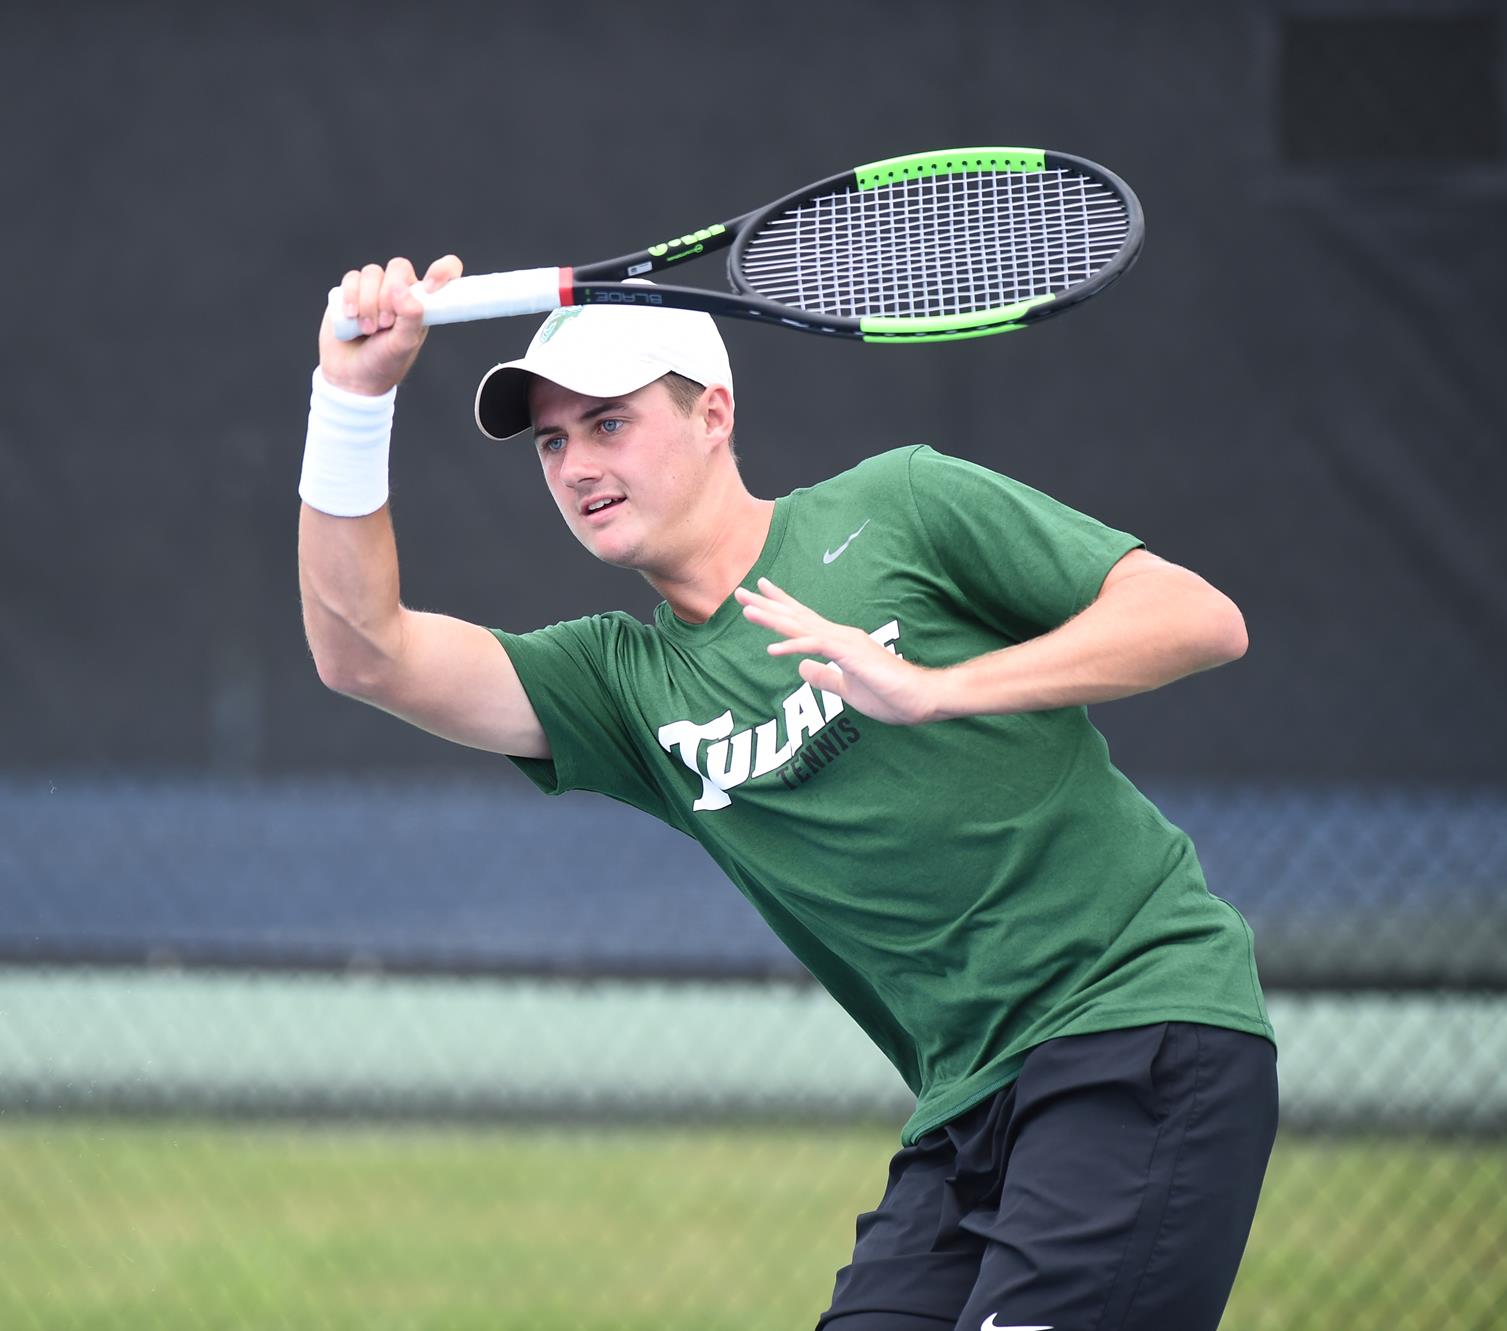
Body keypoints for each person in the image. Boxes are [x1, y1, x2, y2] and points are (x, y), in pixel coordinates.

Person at [298, 254, 1278, 1331]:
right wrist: (350, 397)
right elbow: (364, 653)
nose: (575, 463)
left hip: (1137, 1030)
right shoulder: (620, 684)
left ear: (712, 411)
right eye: (551, 439)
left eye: (608, 423)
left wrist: (937, 687)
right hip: (963, 1106)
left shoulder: (899, 505)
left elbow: (1196, 617)